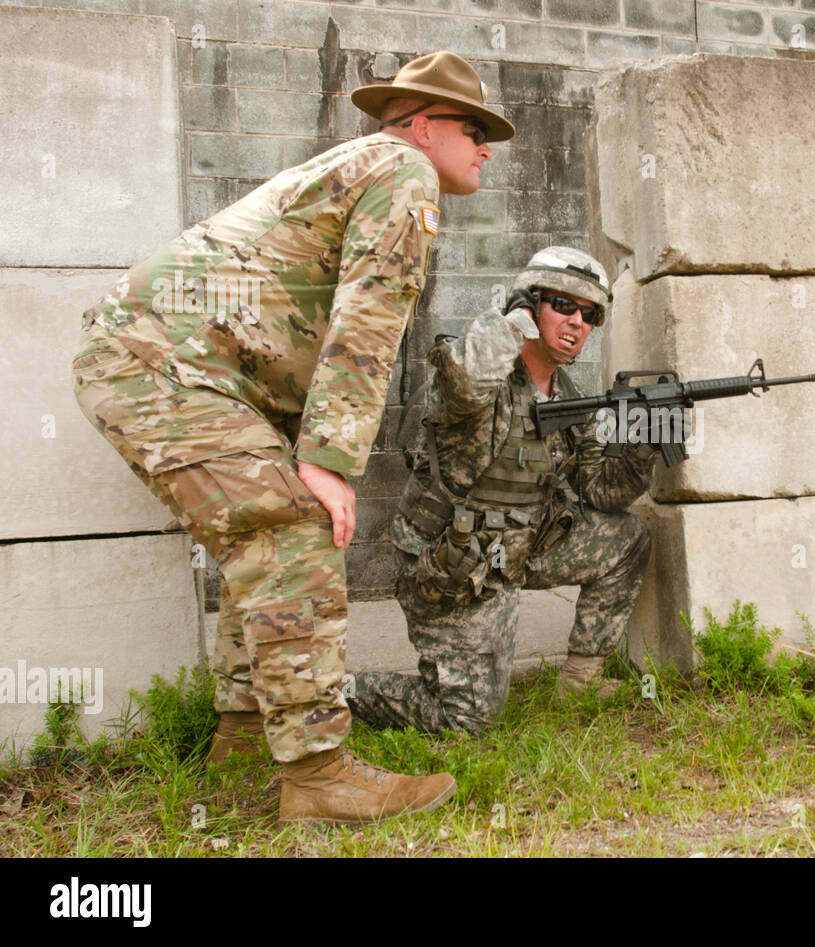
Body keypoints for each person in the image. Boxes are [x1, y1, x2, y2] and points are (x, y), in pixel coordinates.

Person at [70, 51, 513, 824]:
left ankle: (244, 747)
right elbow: (367, 318)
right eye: (475, 130)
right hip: (162, 366)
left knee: (265, 535)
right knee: (292, 529)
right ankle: (318, 774)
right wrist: (332, 462)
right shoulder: (404, 172)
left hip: (167, 363)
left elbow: (287, 327)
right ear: (425, 126)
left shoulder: (365, 167)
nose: (485, 149)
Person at [348, 247, 672, 734]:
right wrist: (510, 323)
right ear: (529, 303)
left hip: (521, 549)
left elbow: (600, 491)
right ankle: (340, 690)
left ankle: (581, 679)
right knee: (468, 719)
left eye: (589, 315)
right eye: (562, 306)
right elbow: (464, 384)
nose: (577, 323)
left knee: (626, 538)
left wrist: (647, 445)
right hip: (455, 567)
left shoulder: (571, 398)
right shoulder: (479, 373)